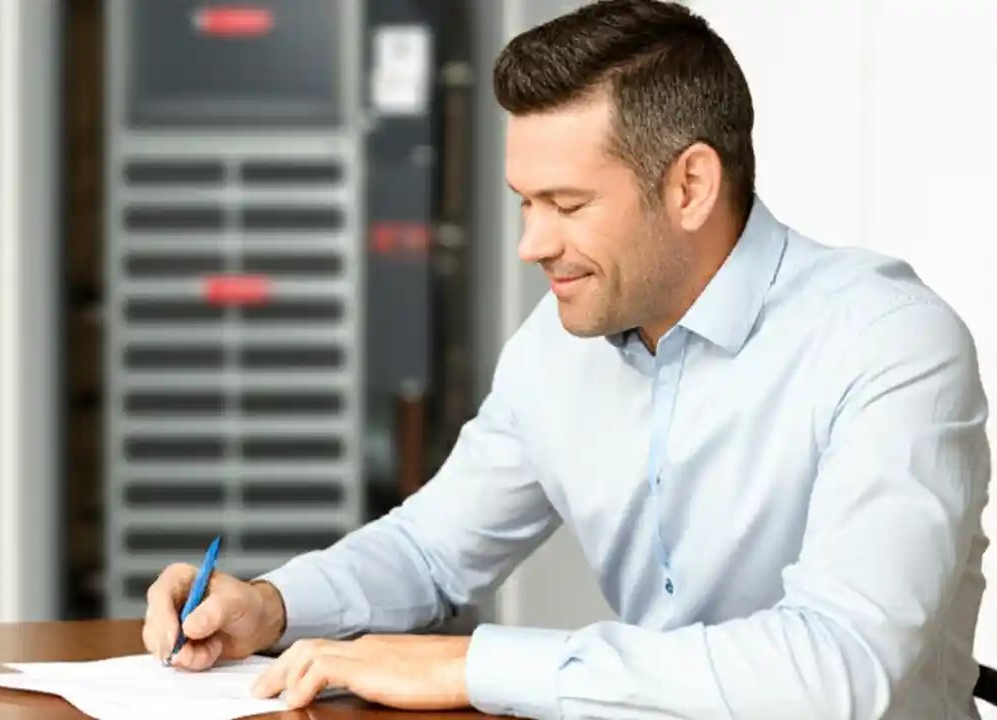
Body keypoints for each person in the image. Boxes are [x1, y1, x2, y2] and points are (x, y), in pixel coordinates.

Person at [140, 0, 992, 717]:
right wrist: (271, 604)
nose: (531, 243)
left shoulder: (890, 344)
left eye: (567, 203)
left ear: (689, 186)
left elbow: (836, 672)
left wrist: (472, 667)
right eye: (524, 202)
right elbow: (432, 552)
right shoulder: (558, 344)